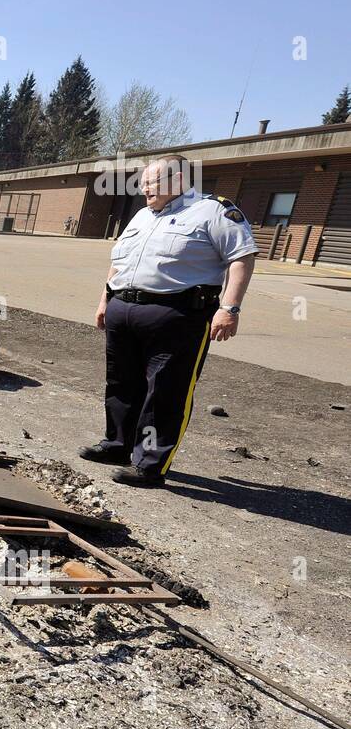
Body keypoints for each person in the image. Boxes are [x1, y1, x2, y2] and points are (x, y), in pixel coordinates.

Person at [80, 155, 258, 487]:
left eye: (152, 181)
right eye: (143, 181)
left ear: (178, 180)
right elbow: (119, 261)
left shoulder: (213, 211)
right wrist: (106, 300)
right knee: (121, 384)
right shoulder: (142, 216)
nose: (144, 187)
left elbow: (242, 257)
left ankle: (149, 465)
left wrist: (230, 308)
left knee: (164, 392)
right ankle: (117, 445)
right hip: (124, 309)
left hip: (177, 317)